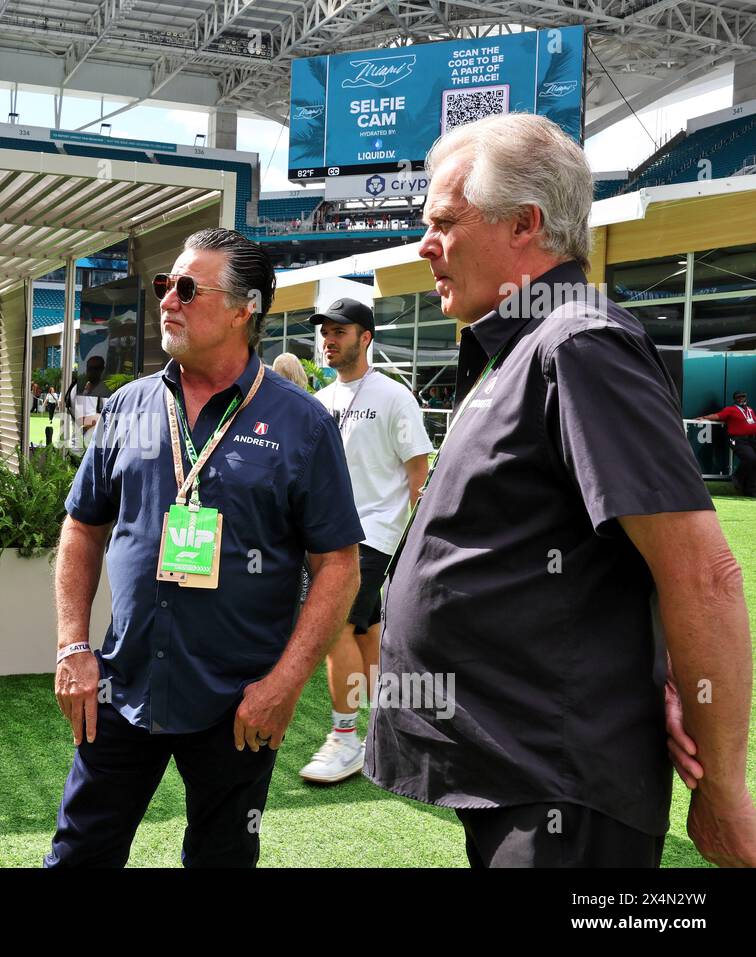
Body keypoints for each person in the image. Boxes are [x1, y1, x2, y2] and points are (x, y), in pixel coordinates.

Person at [366, 112, 756, 867]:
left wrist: (727, 788)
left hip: (560, 785)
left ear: (525, 225)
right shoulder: (522, 346)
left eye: (445, 221)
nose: (426, 245)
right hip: (519, 775)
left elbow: (703, 573)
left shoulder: (579, 342)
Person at [46, 227, 363, 868]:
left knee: (221, 858)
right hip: (123, 685)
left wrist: (285, 684)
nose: (168, 300)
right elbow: (82, 527)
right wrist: (73, 646)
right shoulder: (129, 405)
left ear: (245, 308)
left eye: (188, 289)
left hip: (239, 702)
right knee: (80, 853)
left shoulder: (304, 423)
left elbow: (338, 566)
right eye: (167, 285)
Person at [300, 298, 431, 784]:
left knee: (334, 627)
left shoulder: (394, 396)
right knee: (364, 631)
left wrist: (416, 546)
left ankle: (345, 738)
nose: (329, 340)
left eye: (340, 331)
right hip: (330, 536)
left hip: (374, 534)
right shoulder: (320, 402)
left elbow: (418, 473)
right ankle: (385, 729)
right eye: (325, 332)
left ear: (365, 337)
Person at [700, 391, 756, 496]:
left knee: (754, 462)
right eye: (738, 397)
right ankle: (737, 477)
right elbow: (717, 416)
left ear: (746, 397)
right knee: (750, 458)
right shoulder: (730, 409)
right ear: (734, 399)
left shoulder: (750, 410)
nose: (741, 399)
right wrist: (704, 417)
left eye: (742, 397)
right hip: (737, 439)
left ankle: (750, 489)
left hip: (751, 440)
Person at [65, 354, 111, 450]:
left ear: (102, 369)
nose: (93, 372)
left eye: (96, 368)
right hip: (83, 449)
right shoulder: (82, 389)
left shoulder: (101, 388)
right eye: (90, 368)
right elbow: (85, 421)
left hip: (94, 447)